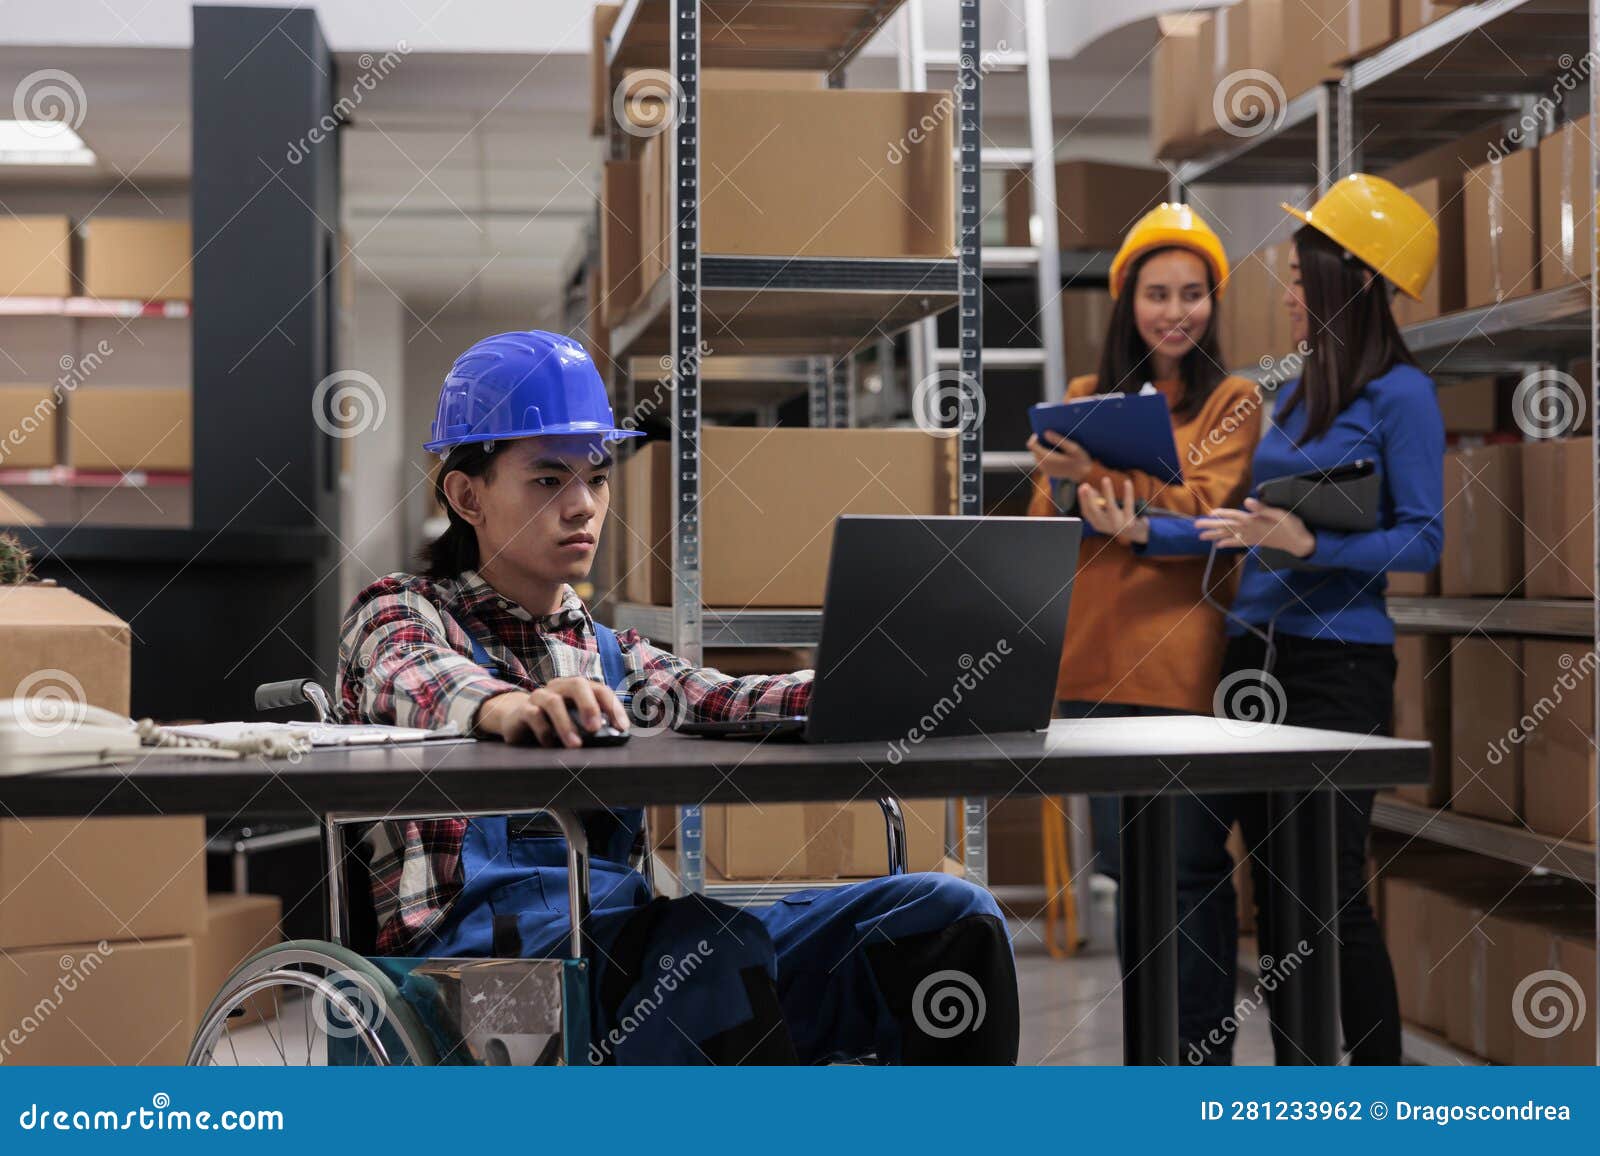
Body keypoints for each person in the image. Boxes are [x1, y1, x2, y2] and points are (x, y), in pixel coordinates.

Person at [336, 330, 1018, 1065]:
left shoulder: (609, 653)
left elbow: (722, 700)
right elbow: (416, 674)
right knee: (708, 948)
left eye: (595, 477)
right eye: (547, 480)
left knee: (945, 918)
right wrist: (507, 708)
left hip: (627, 946)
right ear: (467, 495)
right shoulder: (400, 611)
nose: (583, 506)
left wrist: (883, 684)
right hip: (478, 974)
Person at [1078, 174, 1443, 1064]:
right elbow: (1236, 524)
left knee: (1320, 900)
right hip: (1251, 664)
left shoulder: (1401, 396)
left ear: (1348, 281)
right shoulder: (1298, 395)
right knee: (1263, 903)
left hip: (1335, 668)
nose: (1283, 295)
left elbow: (1422, 541)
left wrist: (1314, 548)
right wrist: (1142, 529)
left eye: (1296, 276)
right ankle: (1289, 1096)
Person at [1025, 203, 1263, 1063]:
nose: (1175, 311)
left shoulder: (1234, 402)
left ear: (1213, 302)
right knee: (1131, 883)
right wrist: (1068, 489)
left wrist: (1104, 481)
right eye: (1158, 293)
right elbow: (1048, 527)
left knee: (1190, 878)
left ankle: (1195, 1076)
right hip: (1090, 671)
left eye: (1192, 294)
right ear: (1128, 302)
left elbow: (1215, 514)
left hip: (1184, 674)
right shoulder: (1086, 400)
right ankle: (1146, 1069)